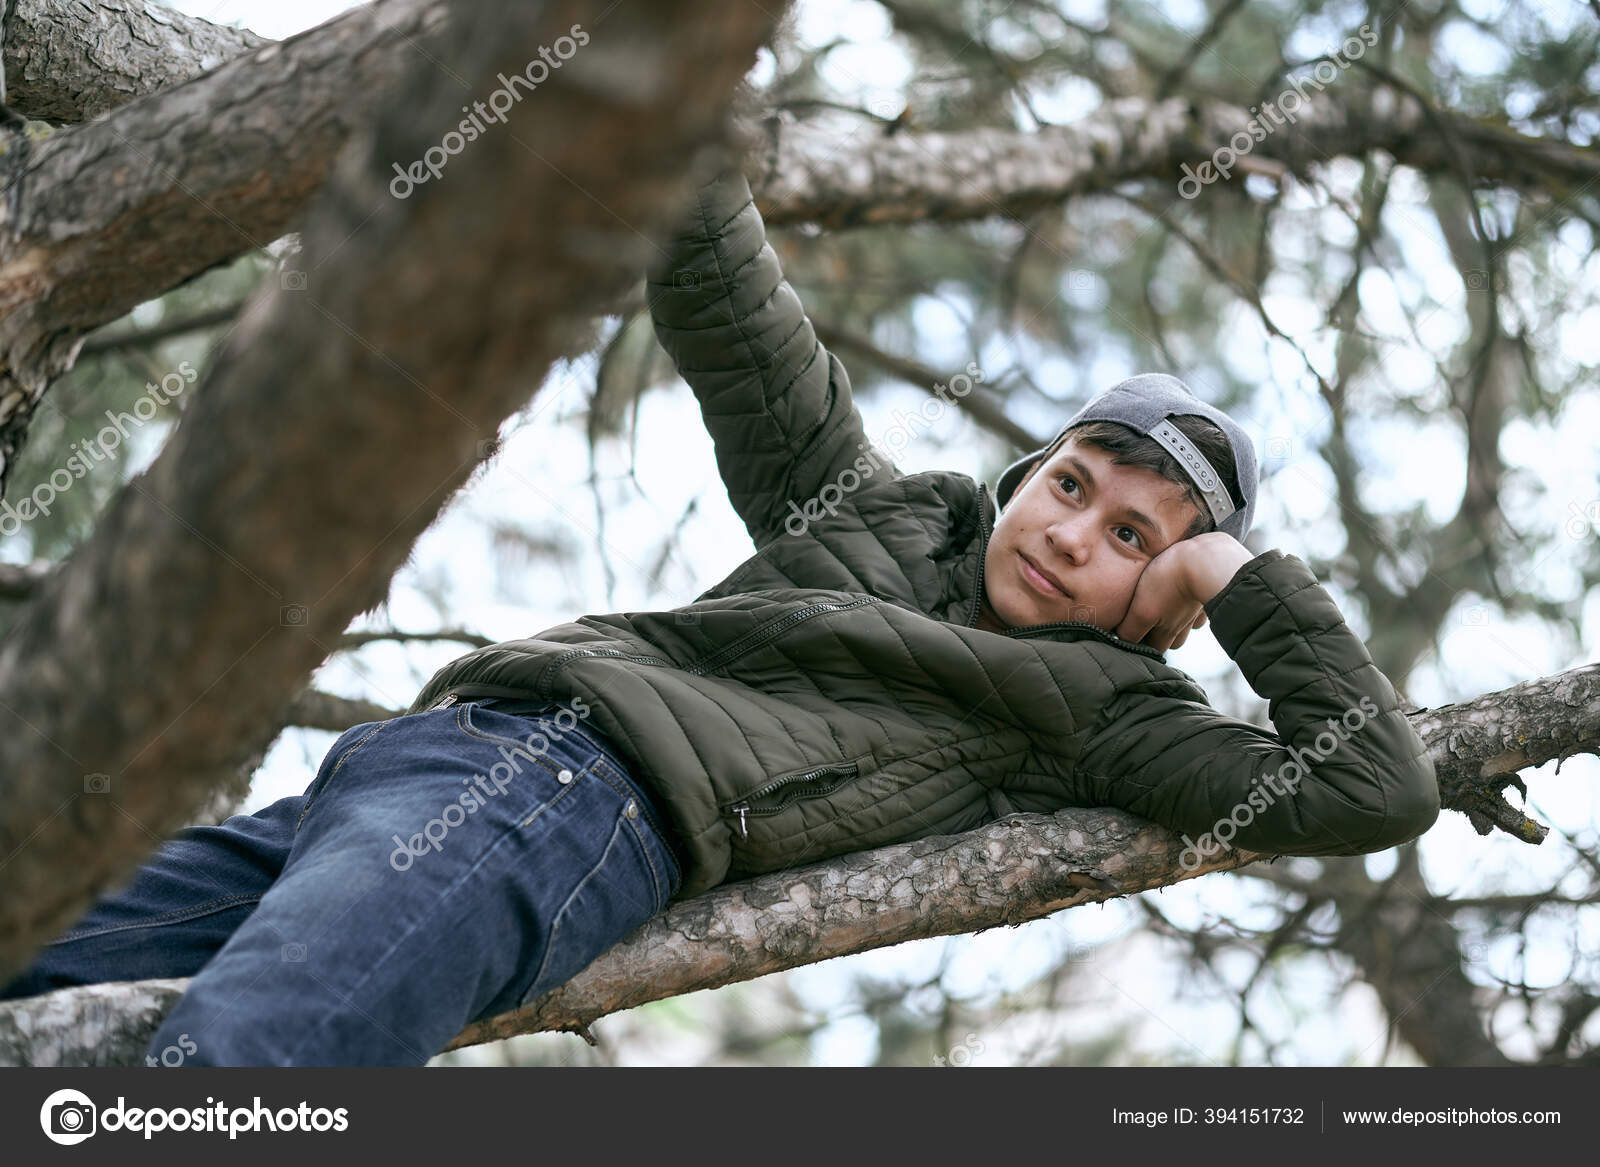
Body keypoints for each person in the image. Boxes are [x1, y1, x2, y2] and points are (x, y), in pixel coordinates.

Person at [0, 165, 1440, 1065]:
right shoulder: (871, 509)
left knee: (247, 1067)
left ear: (1165, 598)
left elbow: (1374, 786)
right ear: (1027, 475)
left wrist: (1238, 582)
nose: (1072, 531)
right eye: (1071, 483)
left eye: (1134, 537)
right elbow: (736, 314)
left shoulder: (1108, 719)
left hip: (578, 807)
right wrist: (660, 83)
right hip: (415, 760)